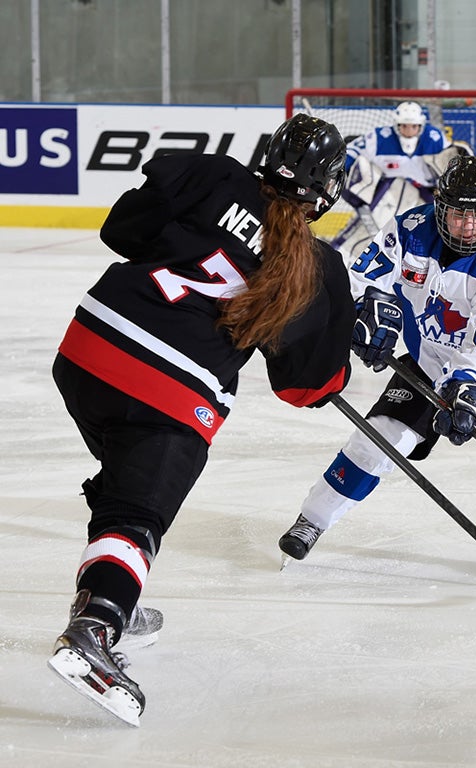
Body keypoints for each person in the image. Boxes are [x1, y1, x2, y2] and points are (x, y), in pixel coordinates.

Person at [47, 114, 356, 726]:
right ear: (325, 192)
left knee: (124, 485)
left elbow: (123, 229)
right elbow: (303, 386)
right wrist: (343, 336)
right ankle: (96, 624)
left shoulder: (213, 174)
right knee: (135, 515)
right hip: (167, 391)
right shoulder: (315, 268)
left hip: (86, 351)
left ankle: (108, 594)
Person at [279, 155, 476, 563]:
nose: (468, 226)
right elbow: (358, 282)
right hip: (433, 353)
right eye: (459, 215)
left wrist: (464, 389)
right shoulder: (409, 230)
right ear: (440, 209)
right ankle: (312, 519)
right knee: (380, 435)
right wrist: (366, 311)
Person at [329, 101, 468, 262]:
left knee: (429, 236)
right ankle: (342, 257)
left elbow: (453, 162)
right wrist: (336, 170)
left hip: (424, 195)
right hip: (385, 194)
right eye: (404, 126)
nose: (409, 131)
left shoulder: (434, 138)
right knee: (369, 237)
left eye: (414, 126)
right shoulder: (379, 137)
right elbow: (351, 151)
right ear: (396, 125)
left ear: (421, 126)